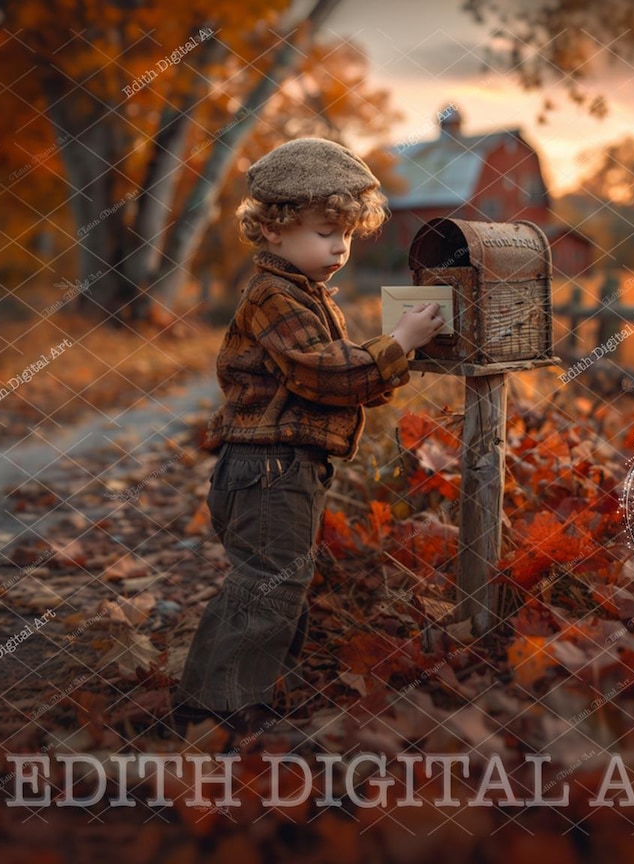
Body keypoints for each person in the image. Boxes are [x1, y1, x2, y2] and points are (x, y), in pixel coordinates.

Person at [169, 138, 444, 736]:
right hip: (268, 469)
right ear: (272, 228)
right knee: (270, 583)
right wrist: (395, 345)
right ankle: (226, 711)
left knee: (273, 581)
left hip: (287, 467)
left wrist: (392, 354)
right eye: (325, 232)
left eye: (345, 234)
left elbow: (343, 380)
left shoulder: (308, 293)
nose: (340, 248)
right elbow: (320, 370)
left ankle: (230, 696)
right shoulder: (273, 294)